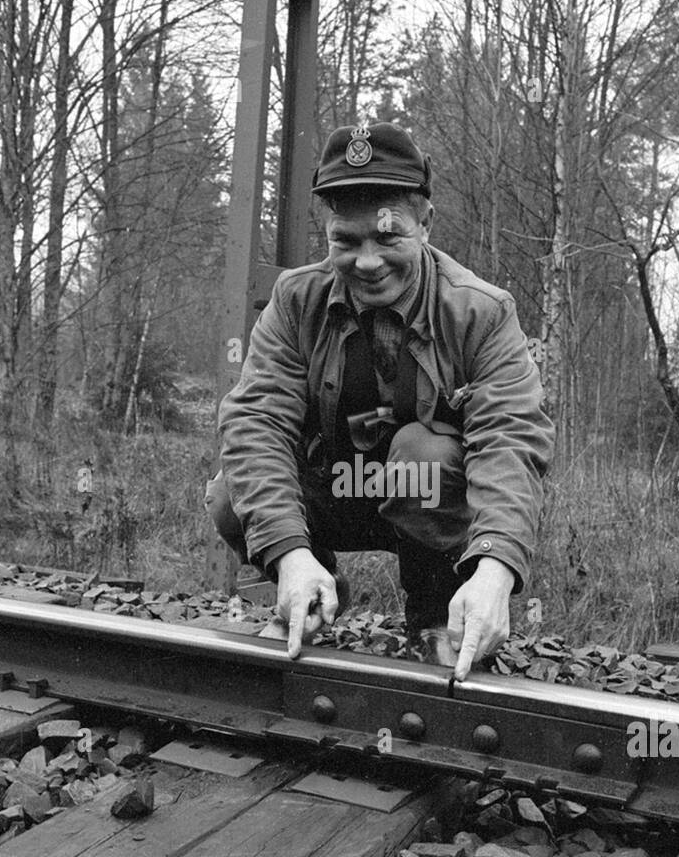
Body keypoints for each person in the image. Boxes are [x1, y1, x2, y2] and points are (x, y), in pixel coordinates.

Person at [208, 122, 554, 681]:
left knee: (424, 455)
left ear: (425, 225)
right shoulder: (296, 301)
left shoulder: (482, 312)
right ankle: (313, 591)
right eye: (346, 241)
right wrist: (289, 554)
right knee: (228, 494)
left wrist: (495, 569)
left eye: (388, 238)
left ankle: (436, 620)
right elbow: (257, 421)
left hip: (427, 500)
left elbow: (512, 438)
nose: (367, 262)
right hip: (336, 488)